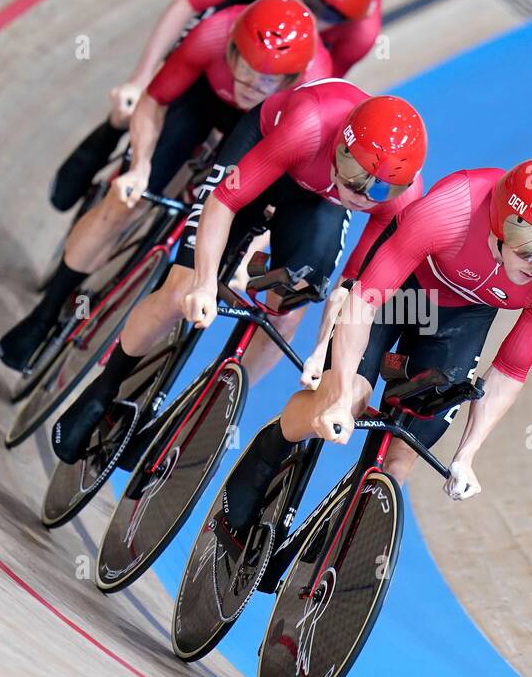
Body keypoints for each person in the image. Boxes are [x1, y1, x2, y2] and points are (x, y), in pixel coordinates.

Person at [47, 83, 428, 464]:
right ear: (342, 146)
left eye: (380, 189)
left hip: (317, 200)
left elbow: (352, 288)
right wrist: (203, 282)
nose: (362, 195)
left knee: (286, 312)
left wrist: (320, 351)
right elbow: (224, 201)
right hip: (266, 150)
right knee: (180, 290)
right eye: (354, 173)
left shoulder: (399, 200)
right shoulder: (309, 125)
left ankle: (207, 405)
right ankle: (104, 387)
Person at [215, 158, 532, 533]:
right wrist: (342, 390)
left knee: (401, 454)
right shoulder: (451, 211)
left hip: (462, 318)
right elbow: (364, 302)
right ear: (501, 223)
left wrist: (467, 454)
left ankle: (337, 547)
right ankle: (270, 450)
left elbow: (510, 370)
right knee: (345, 401)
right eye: (530, 247)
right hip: (401, 290)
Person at [0, 0, 328, 371]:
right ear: (232, 49)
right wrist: (139, 167)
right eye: (246, 67)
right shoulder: (212, 34)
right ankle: (45, 313)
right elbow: (153, 101)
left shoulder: (312, 92)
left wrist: (259, 241)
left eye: (268, 78)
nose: (252, 84)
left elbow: (289, 183)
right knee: (125, 201)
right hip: (203, 101)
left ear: (293, 78)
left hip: (262, 137)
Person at [50, 0, 381, 212]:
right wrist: (141, 78)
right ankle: (115, 126)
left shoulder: (361, 35)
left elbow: (317, 97)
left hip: (296, 50)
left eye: (332, 16)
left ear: (353, 19)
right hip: (253, 6)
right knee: (170, 80)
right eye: (311, 1)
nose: (314, 16)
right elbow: (190, 2)